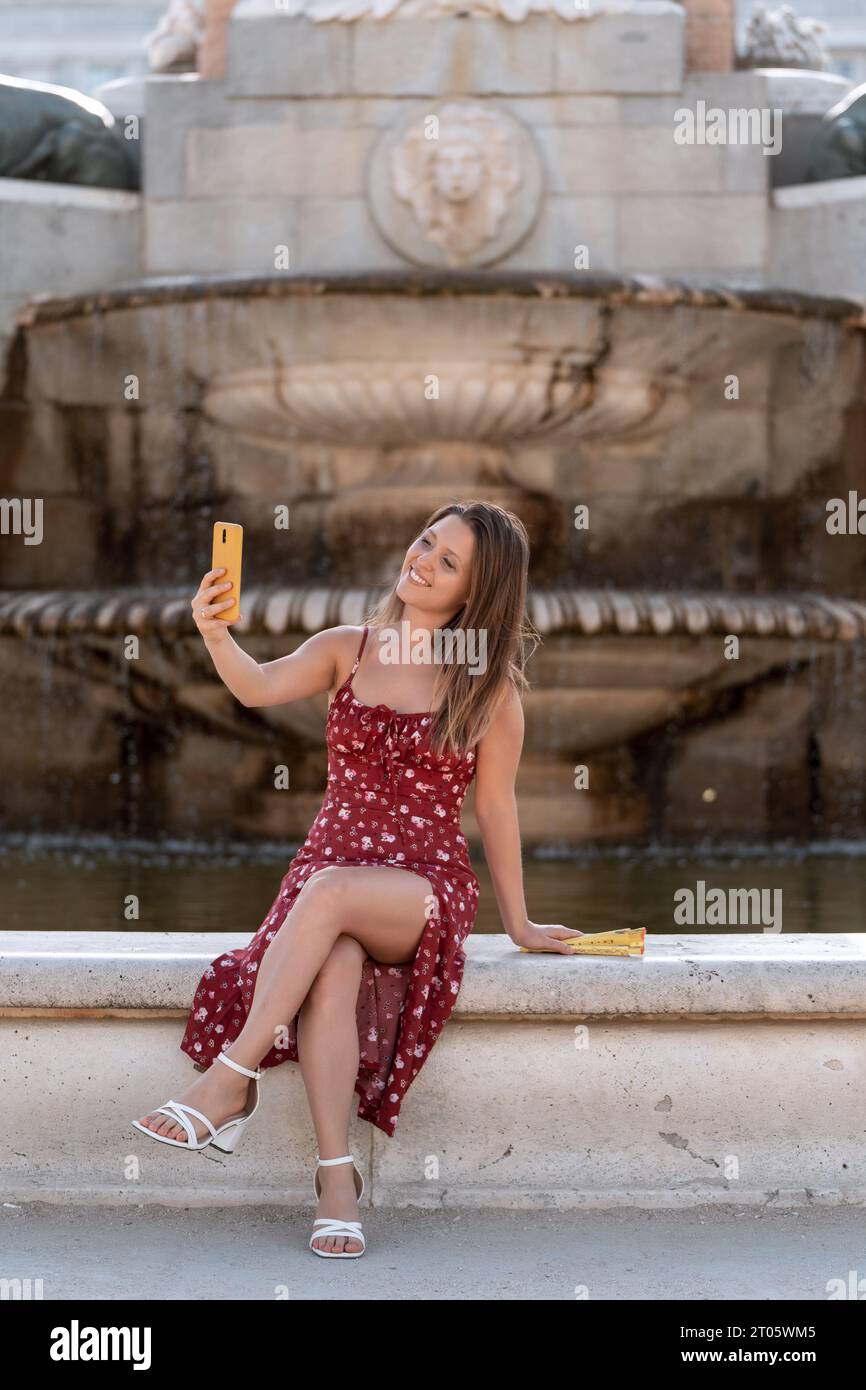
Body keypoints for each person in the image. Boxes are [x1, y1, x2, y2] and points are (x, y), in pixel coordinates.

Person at [131, 499, 579, 1257]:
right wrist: (215, 633)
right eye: (425, 542)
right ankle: (337, 1180)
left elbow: (497, 812)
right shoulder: (349, 647)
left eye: (447, 562)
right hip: (326, 876)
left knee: (332, 894)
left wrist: (520, 925)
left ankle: (229, 1079)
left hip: (424, 888)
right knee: (332, 961)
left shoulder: (489, 688)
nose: (422, 561)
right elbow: (256, 686)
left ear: (477, 591)